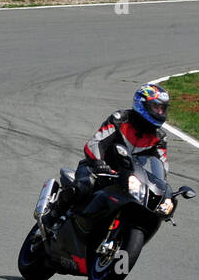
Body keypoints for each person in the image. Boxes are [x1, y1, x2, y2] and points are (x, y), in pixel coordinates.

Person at [42, 84, 170, 233]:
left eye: (163, 108)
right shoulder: (121, 119)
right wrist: (98, 163)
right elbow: (95, 143)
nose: (160, 112)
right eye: (156, 107)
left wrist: (164, 192)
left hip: (130, 180)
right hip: (101, 169)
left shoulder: (159, 138)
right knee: (83, 186)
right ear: (142, 104)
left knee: (147, 209)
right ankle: (54, 214)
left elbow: (162, 167)